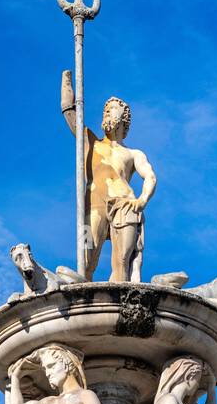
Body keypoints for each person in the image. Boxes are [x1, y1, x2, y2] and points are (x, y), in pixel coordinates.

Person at [61, 75, 156, 282]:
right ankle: (83, 305)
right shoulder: (91, 142)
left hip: (125, 205)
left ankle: (120, 308)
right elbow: (69, 111)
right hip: (94, 205)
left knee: (123, 264)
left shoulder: (133, 154)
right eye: (105, 109)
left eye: (111, 108)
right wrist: (67, 79)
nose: (106, 111)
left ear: (124, 117)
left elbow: (150, 176)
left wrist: (141, 200)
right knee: (85, 259)